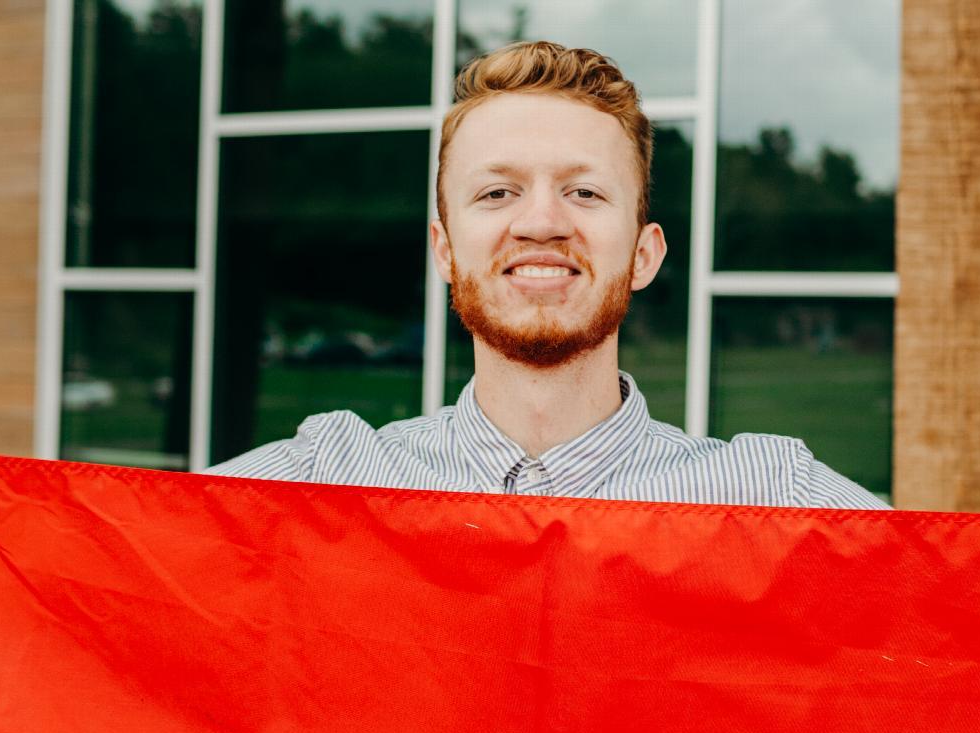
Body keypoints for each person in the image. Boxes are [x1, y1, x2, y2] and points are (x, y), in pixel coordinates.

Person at [207, 41, 888, 509]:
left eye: (584, 192)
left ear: (644, 255)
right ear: (444, 251)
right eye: (497, 192)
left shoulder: (772, 497)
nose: (540, 222)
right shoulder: (323, 479)